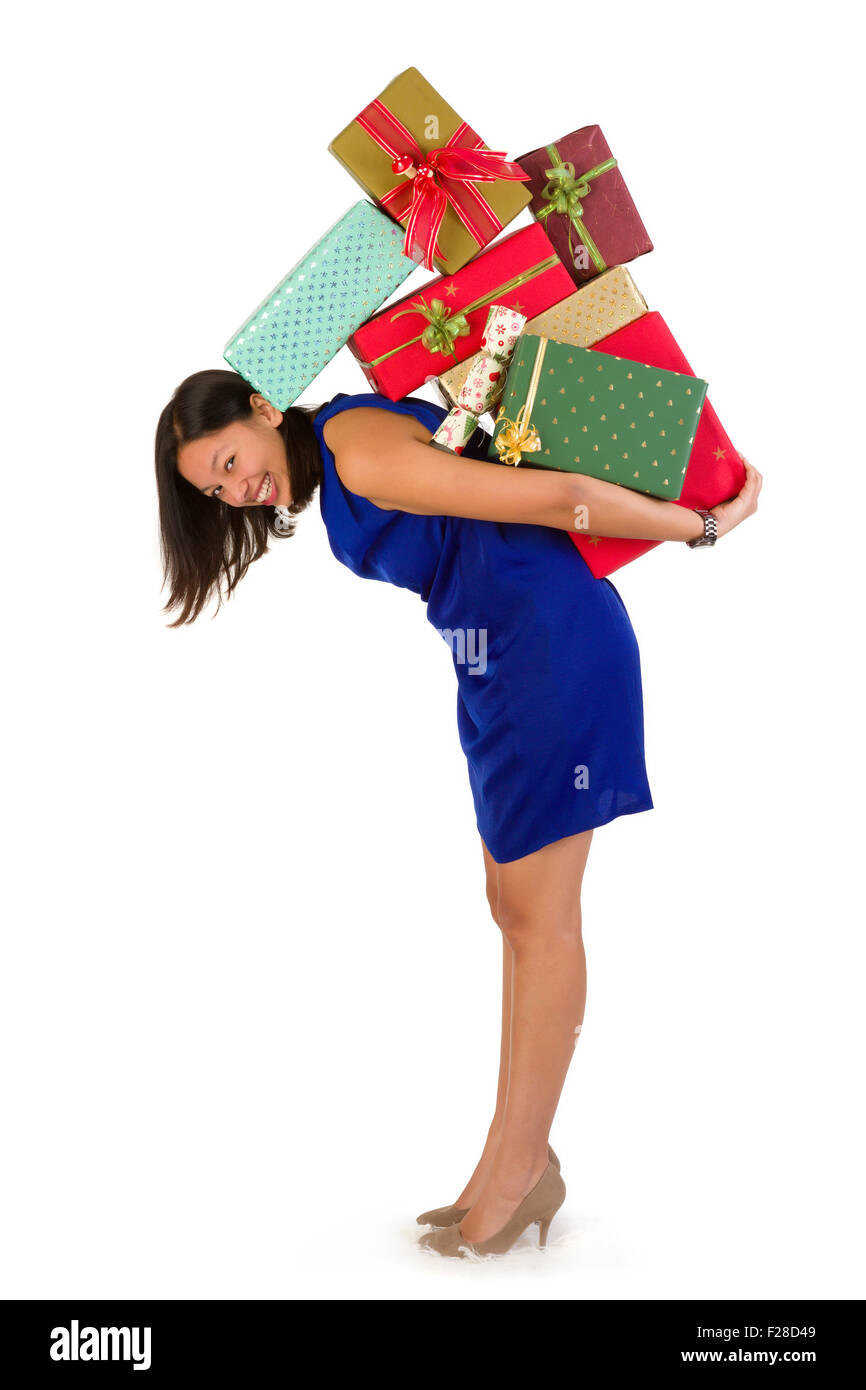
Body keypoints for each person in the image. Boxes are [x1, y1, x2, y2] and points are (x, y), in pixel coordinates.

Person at [154, 369, 762, 1259]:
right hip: (494, 661)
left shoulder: (354, 452)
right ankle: (508, 1160)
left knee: (543, 920)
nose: (238, 491)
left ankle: (520, 1172)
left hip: (546, 649)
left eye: (231, 462)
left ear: (260, 408)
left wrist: (705, 526)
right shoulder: (336, 461)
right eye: (217, 488)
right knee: (515, 910)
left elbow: (558, 498)